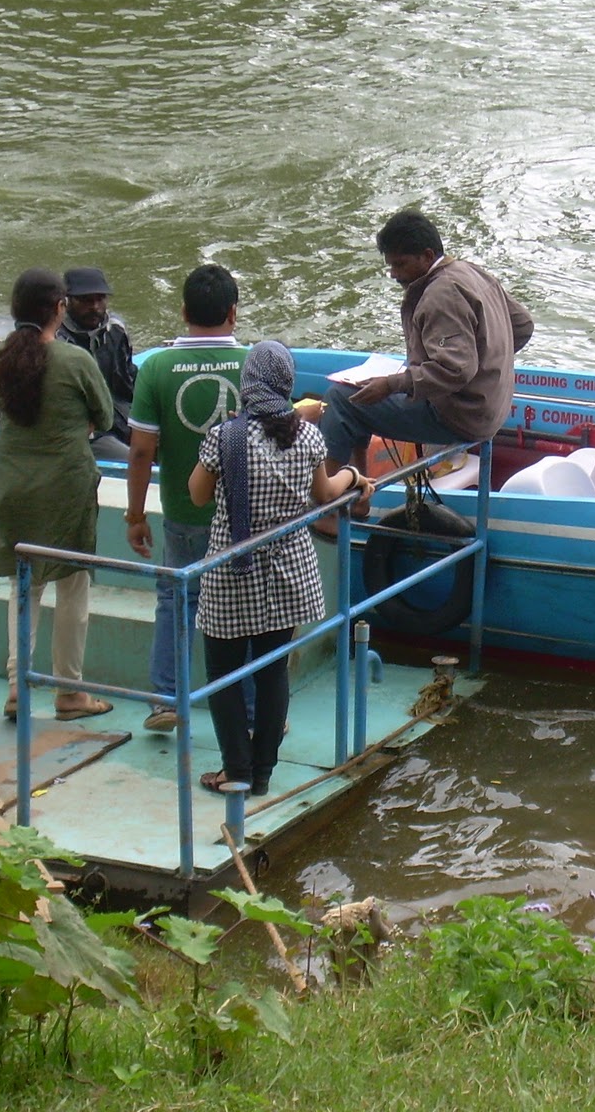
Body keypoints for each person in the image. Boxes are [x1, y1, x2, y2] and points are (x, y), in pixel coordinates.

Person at [188, 342, 373, 796]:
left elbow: (196, 494)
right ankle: (263, 772)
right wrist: (353, 475)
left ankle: (236, 770)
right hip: (288, 567)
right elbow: (327, 494)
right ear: (287, 384)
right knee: (273, 671)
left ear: (248, 383)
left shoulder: (225, 436)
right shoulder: (308, 437)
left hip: (233, 569)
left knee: (224, 675)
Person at [0, 267, 115, 721]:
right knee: (72, 587)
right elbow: (105, 414)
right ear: (60, 308)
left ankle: (17, 687)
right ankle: (69, 691)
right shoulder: (75, 361)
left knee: (25, 588)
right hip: (65, 488)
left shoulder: (0, 355)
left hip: (13, 485)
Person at [319, 210, 534, 481]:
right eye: (390, 266)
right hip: (492, 407)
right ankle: (358, 489)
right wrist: (487, 362)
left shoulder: (440, 294)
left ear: (428, 256)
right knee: (359, 396)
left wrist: (391, 384)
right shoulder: (470, 271)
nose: (394, 274)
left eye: (401, 264)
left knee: (341, 400)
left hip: (461, 416)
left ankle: (330, 507)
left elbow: (456, 370)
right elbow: (523, 325)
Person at [125, 264, 248, 731]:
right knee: (246, 608)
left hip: (182, 512)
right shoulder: (254, 363)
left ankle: (165, 700)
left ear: (183, 312)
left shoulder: (156, 366)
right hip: (244, 517)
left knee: (175, 602)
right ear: (233, 313)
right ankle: (254, 711)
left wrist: (136, 515)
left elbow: (140, 450)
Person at [56, 267, 138, 462]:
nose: (95, 307)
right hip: (89, 431)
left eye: (100, 299)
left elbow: (129, 380)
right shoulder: (58, 343)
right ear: (66, 301)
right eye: (85, 300)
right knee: (136, 460)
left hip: (122, 417)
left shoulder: (116, 330)